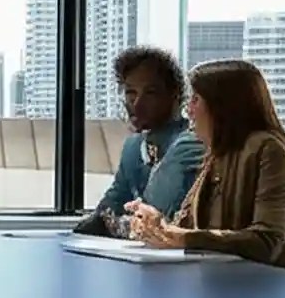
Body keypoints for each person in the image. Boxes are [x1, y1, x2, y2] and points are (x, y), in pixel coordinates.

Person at [128, 59, 285, 272]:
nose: (189, 110)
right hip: (231, 281)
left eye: (196, 100)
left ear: (222, 106)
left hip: (280, 284)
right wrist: (155, 224)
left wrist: (181, 237)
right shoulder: (216, 154)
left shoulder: (270, 150)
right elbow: (185, 229)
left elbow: (266, 242)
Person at [75, 46, 204, 238]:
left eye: (150, 93)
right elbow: (106, 212)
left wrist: (114, 223)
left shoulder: (191, 142)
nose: (136, 104)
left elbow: (154, 214)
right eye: (130, 93)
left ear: (175, 95)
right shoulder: (133, 148)